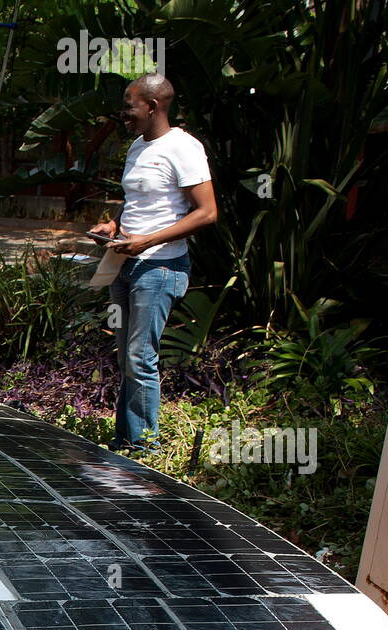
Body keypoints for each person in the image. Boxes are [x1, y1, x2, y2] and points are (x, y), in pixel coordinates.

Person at [96, 74, 216, 453]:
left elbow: (207, 212)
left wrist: (147, 240)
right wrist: (114, 225)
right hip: (125, 262)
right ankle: (125, 440)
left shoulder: (184, 147)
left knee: (140, 357)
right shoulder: (137, 146)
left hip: (160, 267)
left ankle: (145, 448)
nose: (124, 114)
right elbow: (137, 202)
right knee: (127, 357)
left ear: (152, 106)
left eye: (129, 106)